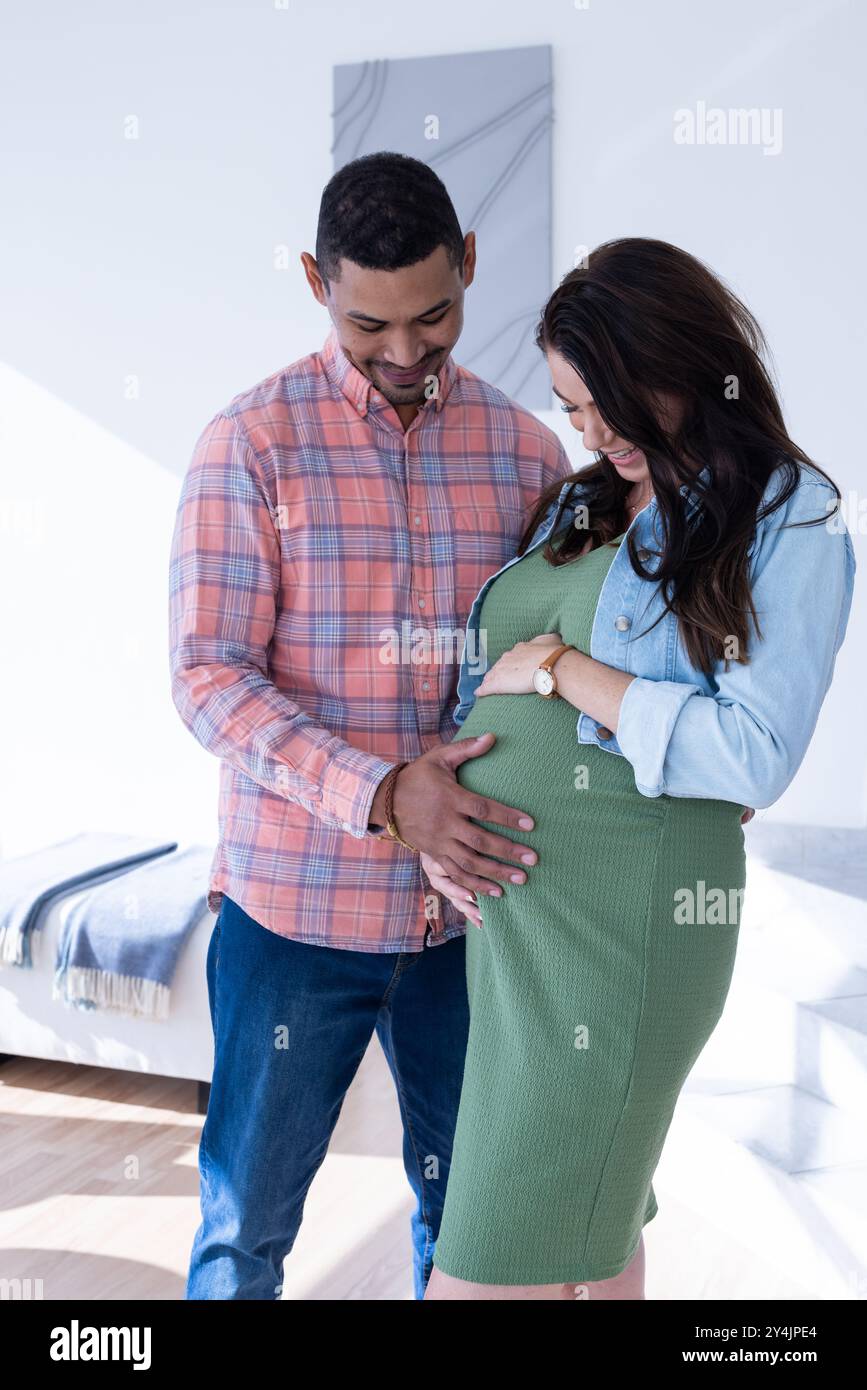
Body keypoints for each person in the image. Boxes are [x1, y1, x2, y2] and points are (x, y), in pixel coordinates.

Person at [412, 237, 856, 1300]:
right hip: (523, 928)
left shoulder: (790, 516)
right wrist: (444, 811)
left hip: (627, 927)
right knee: (593, 1233)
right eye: (573, 408)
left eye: (613, 397)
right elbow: (495, 682)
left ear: (690, 360)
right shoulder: (591, 500)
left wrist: (567, 670)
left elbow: (753, 750)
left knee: (495, 1249)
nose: (596, 431)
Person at [169, 151, 574, 1300]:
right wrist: (387, 792)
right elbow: (207, 676)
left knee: (471, 1225)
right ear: (314, 282)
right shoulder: (246, 446)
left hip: (472, 925)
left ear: (473, 269)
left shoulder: (528, 454)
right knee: (246, 1228)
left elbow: (559, 659)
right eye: (368, 326)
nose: (404, 355)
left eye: (435, 317)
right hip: (295, 914)